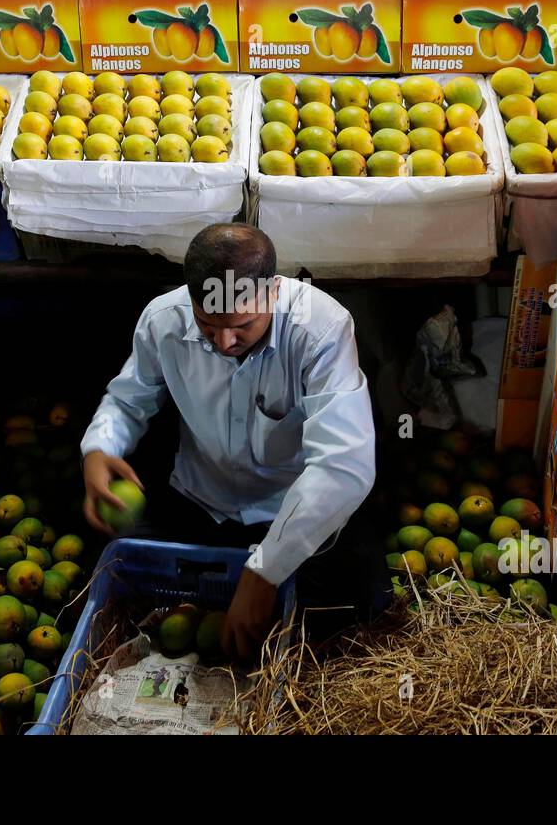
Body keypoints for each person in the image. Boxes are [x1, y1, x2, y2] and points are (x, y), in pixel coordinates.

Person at [80, 223, 378, 659]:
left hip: (288, 508)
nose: (223, 342)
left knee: (359, 607)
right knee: (108, 575)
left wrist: (264, 571)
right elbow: (130, 398)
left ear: (273, 292)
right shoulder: (163, 321)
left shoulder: (321, 331)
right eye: (207, 324)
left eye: (242, 325)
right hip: (199, 499)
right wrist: (100, 447)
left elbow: (344, 466)